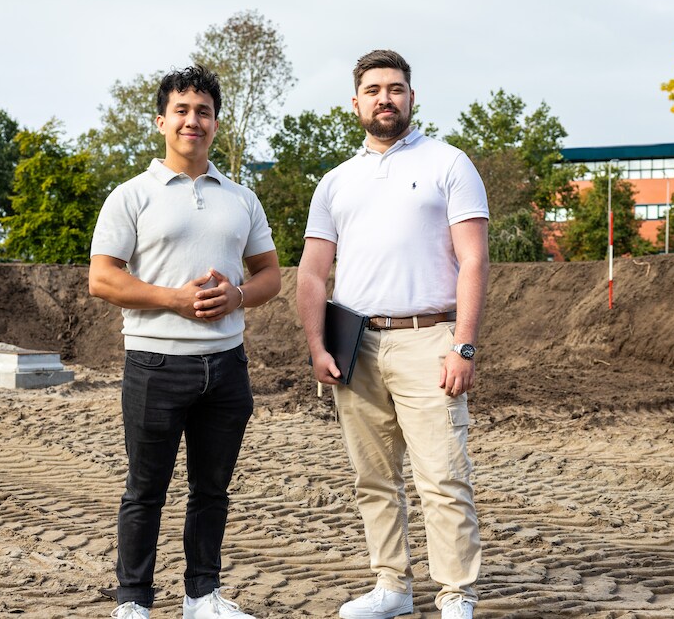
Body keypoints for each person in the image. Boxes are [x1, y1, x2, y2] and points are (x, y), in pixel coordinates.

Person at [296, 49, 489, 619]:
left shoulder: (449, 164)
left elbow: (474, 261)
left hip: (429, 340)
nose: (386, 98)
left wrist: (464, 344)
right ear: (355, 103)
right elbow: (311, 270)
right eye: (375, 89)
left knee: (443, 477)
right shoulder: (335, 182)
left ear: (411, 97)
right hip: (356, 344)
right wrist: (316, 344)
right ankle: (392, 588)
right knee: (373, 478)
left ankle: (456, 595)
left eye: (397, 88)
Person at [89, 65, 280, 619]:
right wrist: (173, 299)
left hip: (226, 367)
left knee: (211, 491)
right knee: (144, 490)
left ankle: (201, 596)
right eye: (182, 110)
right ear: (161, 121)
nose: (192, 120)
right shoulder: (132, 196)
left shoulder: (241, 199)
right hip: (154, 364)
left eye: (203, 111)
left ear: (216, 123)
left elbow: (270, 274)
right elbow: (102, 278)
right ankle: (134, 603)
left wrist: (239, 297)